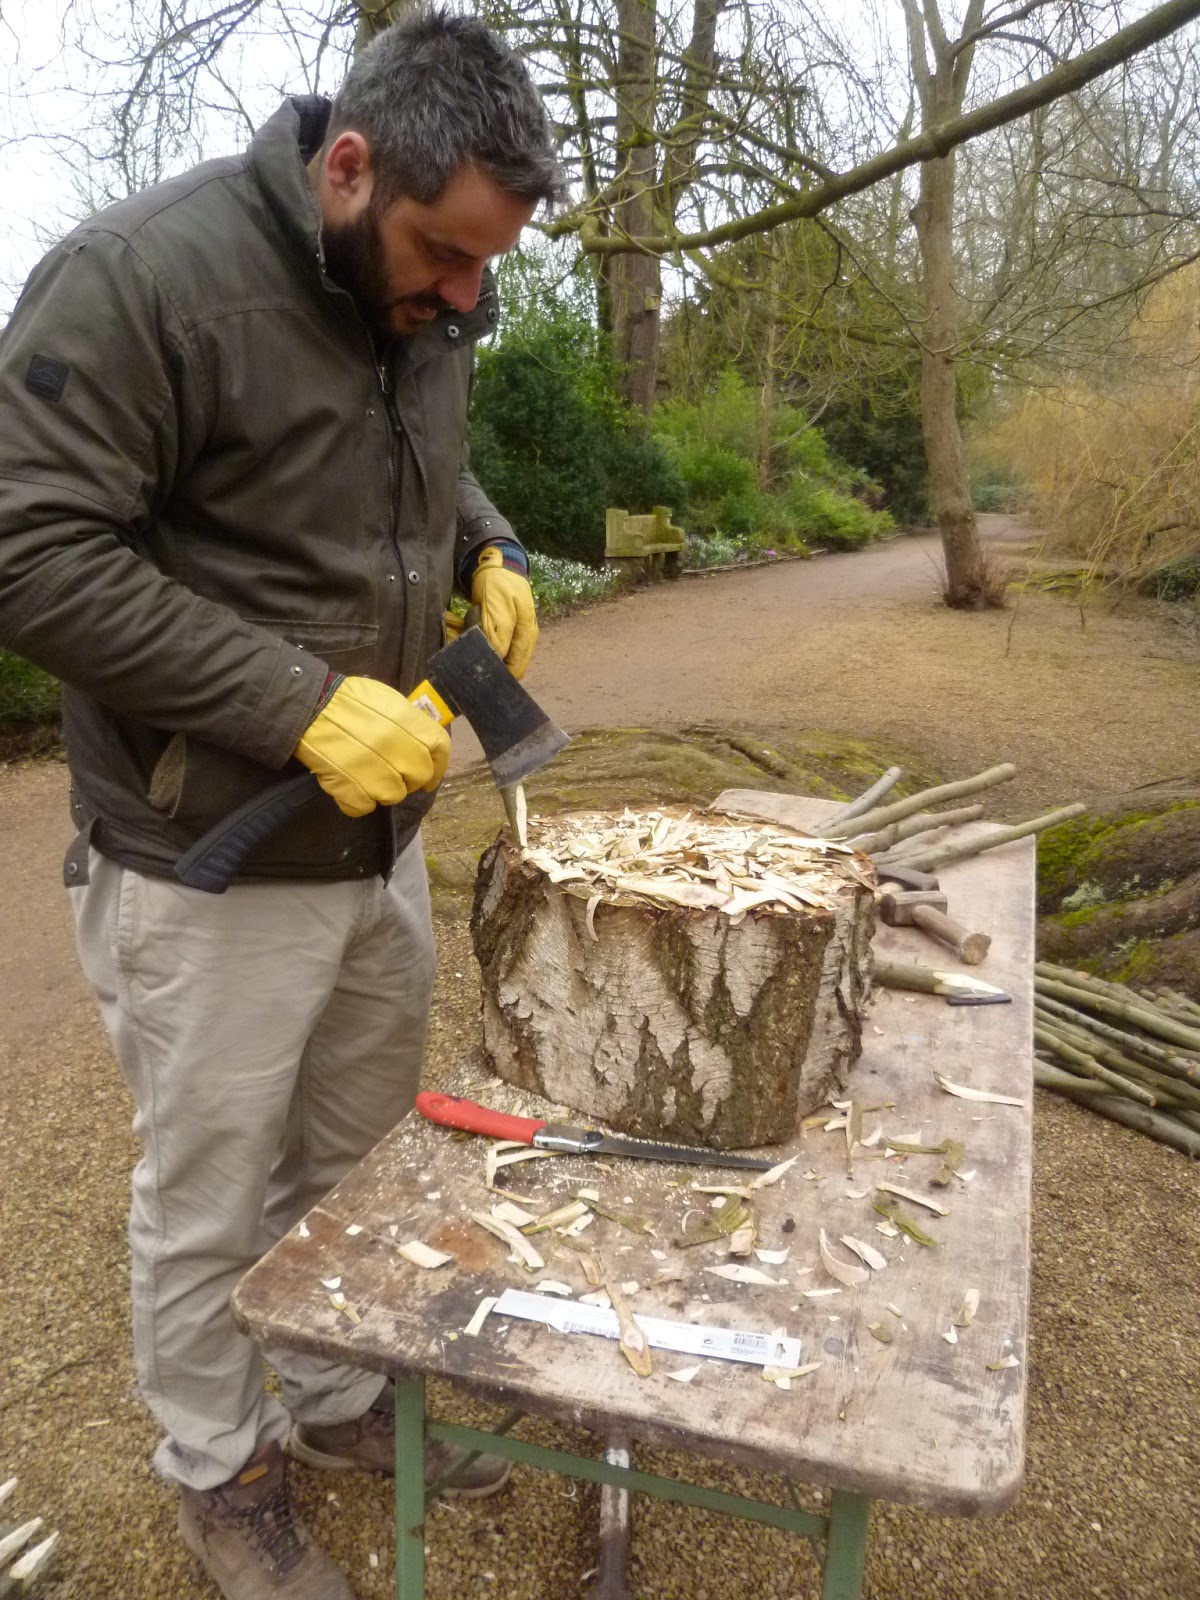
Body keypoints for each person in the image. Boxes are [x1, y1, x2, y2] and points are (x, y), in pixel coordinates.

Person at [0, 10, 565, 1598]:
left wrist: (490, 545)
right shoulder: (145, 280)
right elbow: (28, 549)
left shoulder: (420, 284)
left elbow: (413, 453)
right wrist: (297, 704)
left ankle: (328, 1402)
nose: (464, 298)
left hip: (376, 848)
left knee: (359, 1159)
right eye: (444, 257)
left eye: (482, 271)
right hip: (206, 856)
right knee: (212, 1196)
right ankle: (218, 1463)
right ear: (347, 165)